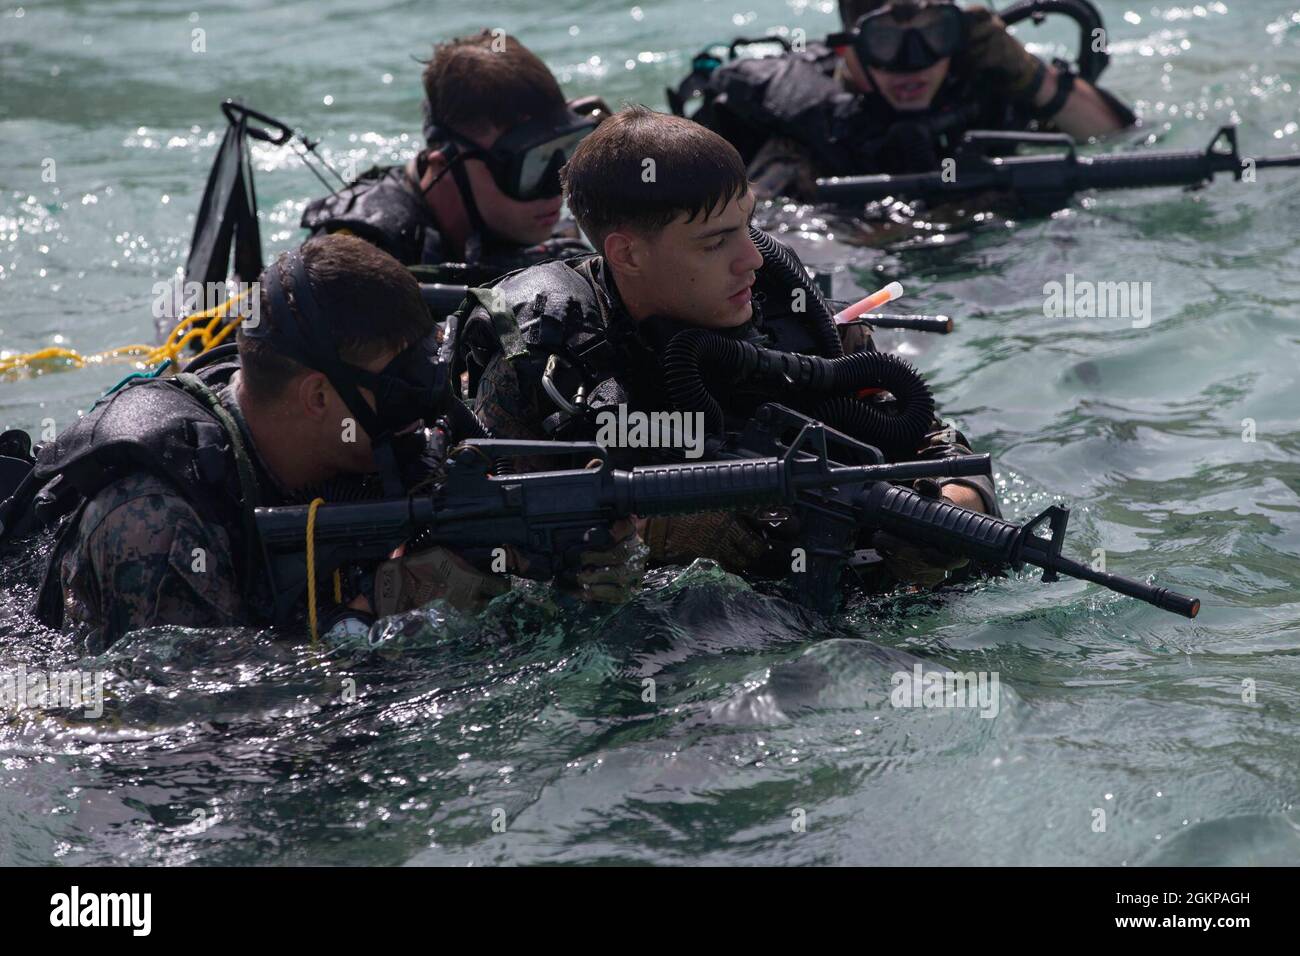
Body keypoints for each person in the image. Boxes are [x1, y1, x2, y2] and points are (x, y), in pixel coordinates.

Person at [460, 106, 1000, 597]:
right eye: (715, 242)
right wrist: (629, 552)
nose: (751, 260)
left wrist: (958, 502)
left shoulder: (791, 320)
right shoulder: (545, 364)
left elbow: (917, 434)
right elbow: (490, 557)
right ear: (627, 252)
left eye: (748, 224)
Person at [25, 235, 629, 648]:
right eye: (400, 386)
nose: (419, 410)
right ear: (318, 397)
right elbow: (194, 741)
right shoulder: (153, 522)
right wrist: (376, 625)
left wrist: (554, 578)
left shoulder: (375, 443)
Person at [688, 0, 1136, 202]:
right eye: (887, 43)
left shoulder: (983, 80)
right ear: (849, 47)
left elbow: (1114, 139)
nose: (913, 65)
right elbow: (769, 241)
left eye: (931, 37)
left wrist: (1030, 75)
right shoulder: (804, 121)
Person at [301, 30, 606, 280]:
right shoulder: (359, 253)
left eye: (566, 152)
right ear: (443, 164)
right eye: (530, 164)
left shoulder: (523, 215)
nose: (556, 190)